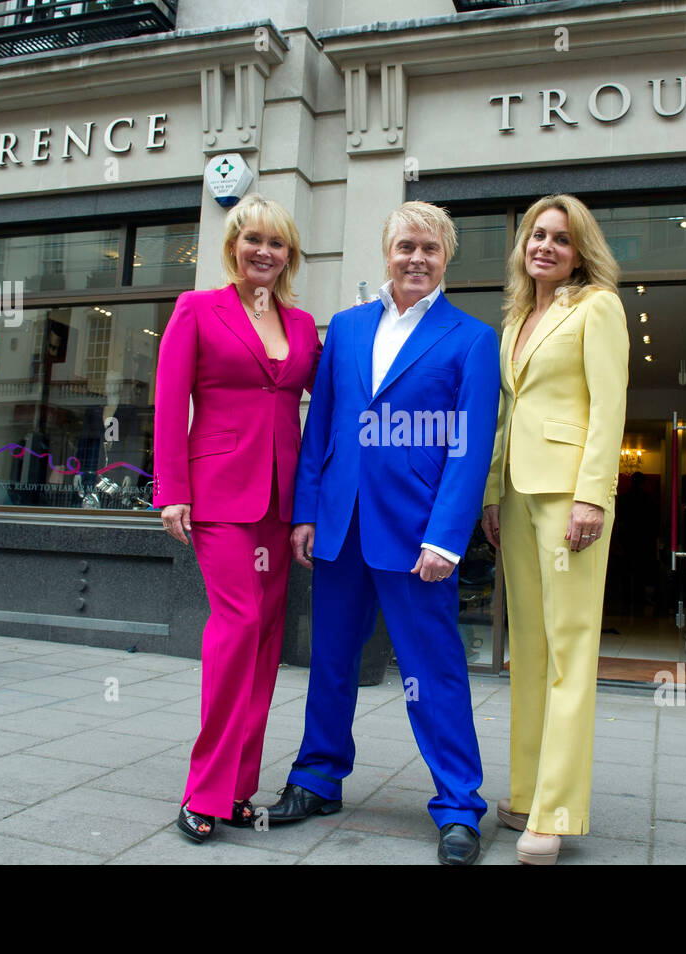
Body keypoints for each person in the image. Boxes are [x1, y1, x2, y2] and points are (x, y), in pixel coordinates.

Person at [265, 201, 500, 865]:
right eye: (405, 248)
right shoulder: (343, 329)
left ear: (446, 256)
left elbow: (470, 448)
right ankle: (316, 779)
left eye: (429, 248)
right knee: (330, 665)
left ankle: (458, 806)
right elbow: (323, 429)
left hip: (419, 535)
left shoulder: (472, 340)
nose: (416, 259)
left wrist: (448, 536)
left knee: (435, 672)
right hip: (339, 527)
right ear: (387, 253)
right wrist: (306, 512)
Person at [153, 194, 322, 845]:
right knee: (239, 624)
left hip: (281, 505)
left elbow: (324, 408)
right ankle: (204, 790)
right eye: (252, 239)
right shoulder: (198, 309)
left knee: (266, 638)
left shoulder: (303, 325)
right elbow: (170, 402)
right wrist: (173, 489)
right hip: (219, 495)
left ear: (289, 255)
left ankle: (238, 789)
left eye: (275, 243)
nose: (263, 251)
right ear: (234, 246)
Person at [481, 194, 629, 864]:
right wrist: (490, 492)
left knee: (570, 651)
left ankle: (558, 811)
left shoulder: (596, 306)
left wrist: (593, 496)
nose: (545, 246)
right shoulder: (516, 317)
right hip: (515, 493)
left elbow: (608, 405)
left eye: (560, 240)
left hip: (570, 494)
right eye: (536, 235)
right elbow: (506, 416)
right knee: (531, 653)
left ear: (580, 251)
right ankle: (527, 791)